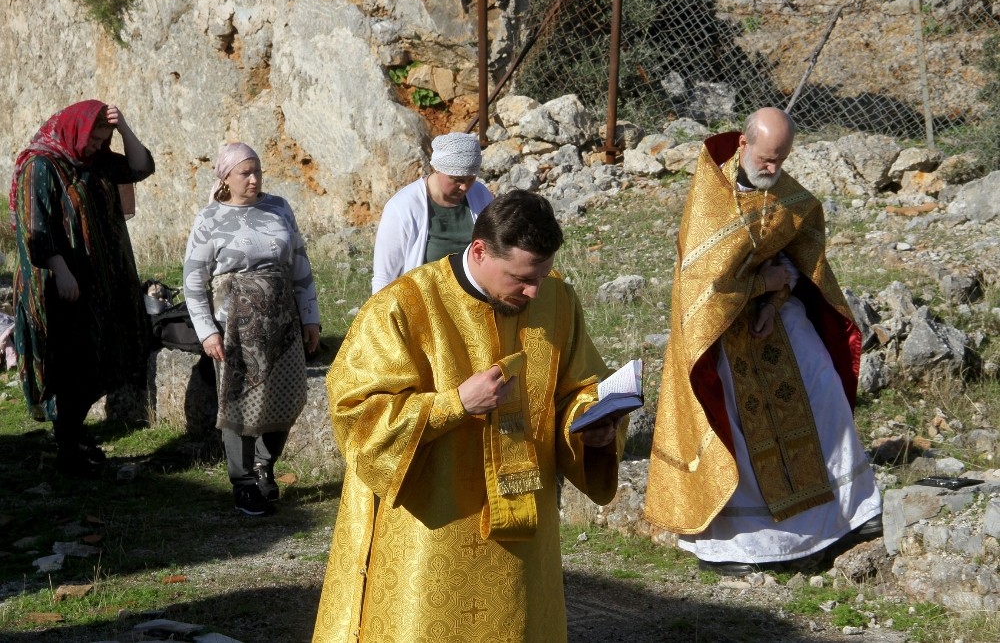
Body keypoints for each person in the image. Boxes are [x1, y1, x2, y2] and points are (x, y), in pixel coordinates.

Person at [312, 190, 628, 642]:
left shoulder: (556, 299)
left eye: (540, 275)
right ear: (479, 250)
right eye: (520, 277)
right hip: (432, 528)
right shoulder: (404, 306)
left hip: (525, 531)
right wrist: (454, 404)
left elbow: (580, 388)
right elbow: (356, 414)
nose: (534, 291)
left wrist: (592, 428)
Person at [643, 107, 882, 576]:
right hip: (718, 334)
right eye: (766, 159)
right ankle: (738, 547)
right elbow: (702, 288)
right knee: (735, 421)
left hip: (772, 317)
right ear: (744, 145)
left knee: (824, 388)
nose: (772, 169)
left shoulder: (788, 197)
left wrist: (775, 299)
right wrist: (760, 286)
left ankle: (849, 515)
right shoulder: (713, 200)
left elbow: (799, 262)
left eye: (781, 159)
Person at [9, 100, 155, 476]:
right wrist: (62, 271)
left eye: (103, 140)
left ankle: (73, 438)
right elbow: (33, 228)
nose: (96, 146)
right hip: (61, 282)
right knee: (69, 359)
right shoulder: (40, 166)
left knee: (97, 356)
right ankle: (69, 447)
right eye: (94, 139)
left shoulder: (96, 162)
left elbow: (140, 167)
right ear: (75, 131)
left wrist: (122, 127)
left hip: (100, 280)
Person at [183, 142, 320, 516]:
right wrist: (207, 331)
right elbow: (193, 281)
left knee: (290, 396)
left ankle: (264, 465)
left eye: (258, 171)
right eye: (246, 173)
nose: (255, 179)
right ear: (225, 178)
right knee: (239, 402)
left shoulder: (278, 207)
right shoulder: (210, 219)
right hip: (233, 328)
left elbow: (300, 264)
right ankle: (242, 481)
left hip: (282, 322)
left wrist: (310, 317)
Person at [370, 131, 493, 293]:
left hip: (471, 304)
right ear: (437, 168)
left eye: (470, 179)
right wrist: (381, 315)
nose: (464, 187)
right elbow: (384, 275)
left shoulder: (481, 196)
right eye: (456, 179)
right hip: (424, 303)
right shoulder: (402, 207)